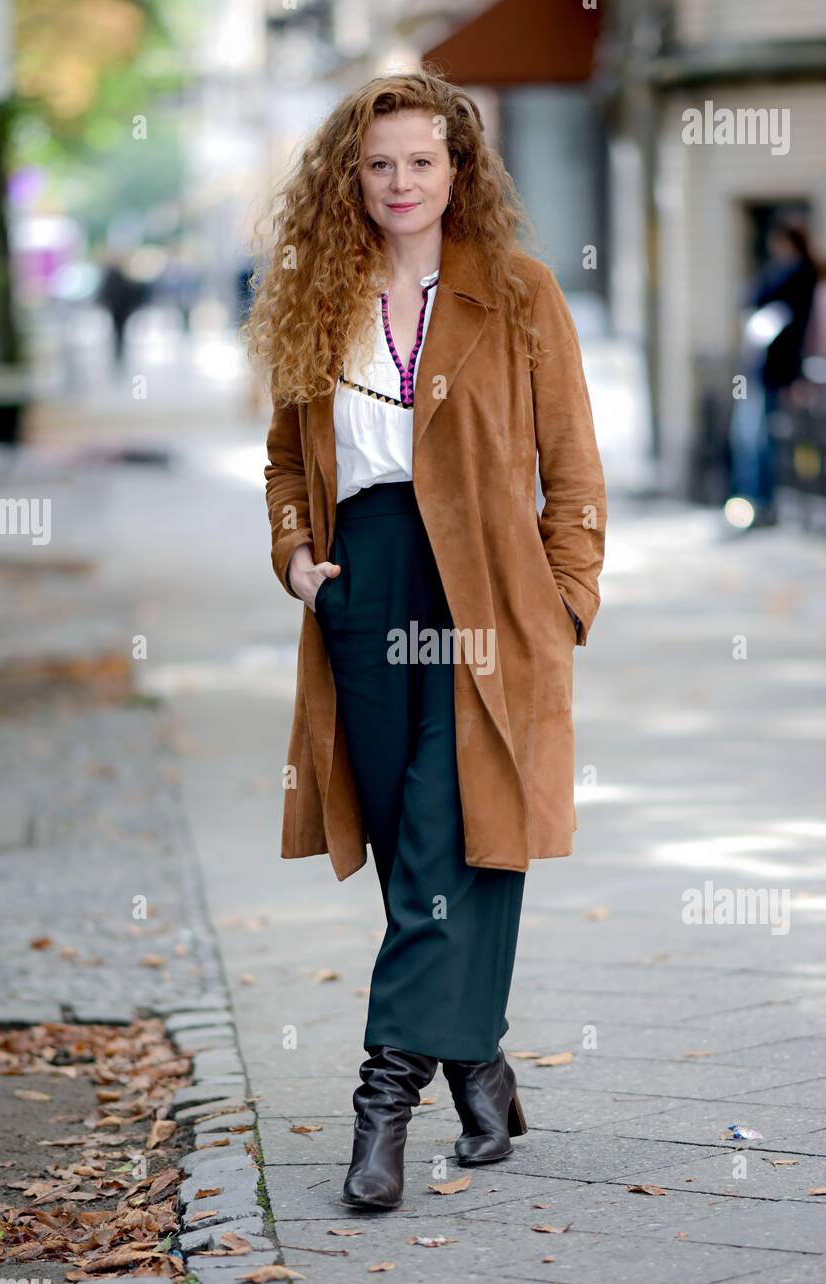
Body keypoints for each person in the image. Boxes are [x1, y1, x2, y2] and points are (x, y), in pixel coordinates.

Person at [245, 69, 607, 1211]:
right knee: (413, 847)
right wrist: (299, 560)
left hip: (490, 597)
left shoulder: (516, 290)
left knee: (459, 834)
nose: (400, 182)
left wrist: (565, 598)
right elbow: (284, 465)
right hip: (367, 587)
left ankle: (382, 1107)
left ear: (459, 170)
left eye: (421, 160)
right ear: (348, 179)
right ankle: (482, 1074)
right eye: (378, 163)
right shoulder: (320, 296)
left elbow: (574, 466)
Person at [728, 216, 823, 527]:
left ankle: (760, 503)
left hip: (773, 369)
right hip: (771, 368)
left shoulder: (795, 274)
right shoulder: (797, 275)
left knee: (759, 439)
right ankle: (758, 502)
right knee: (756, 437)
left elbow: (756, 297)